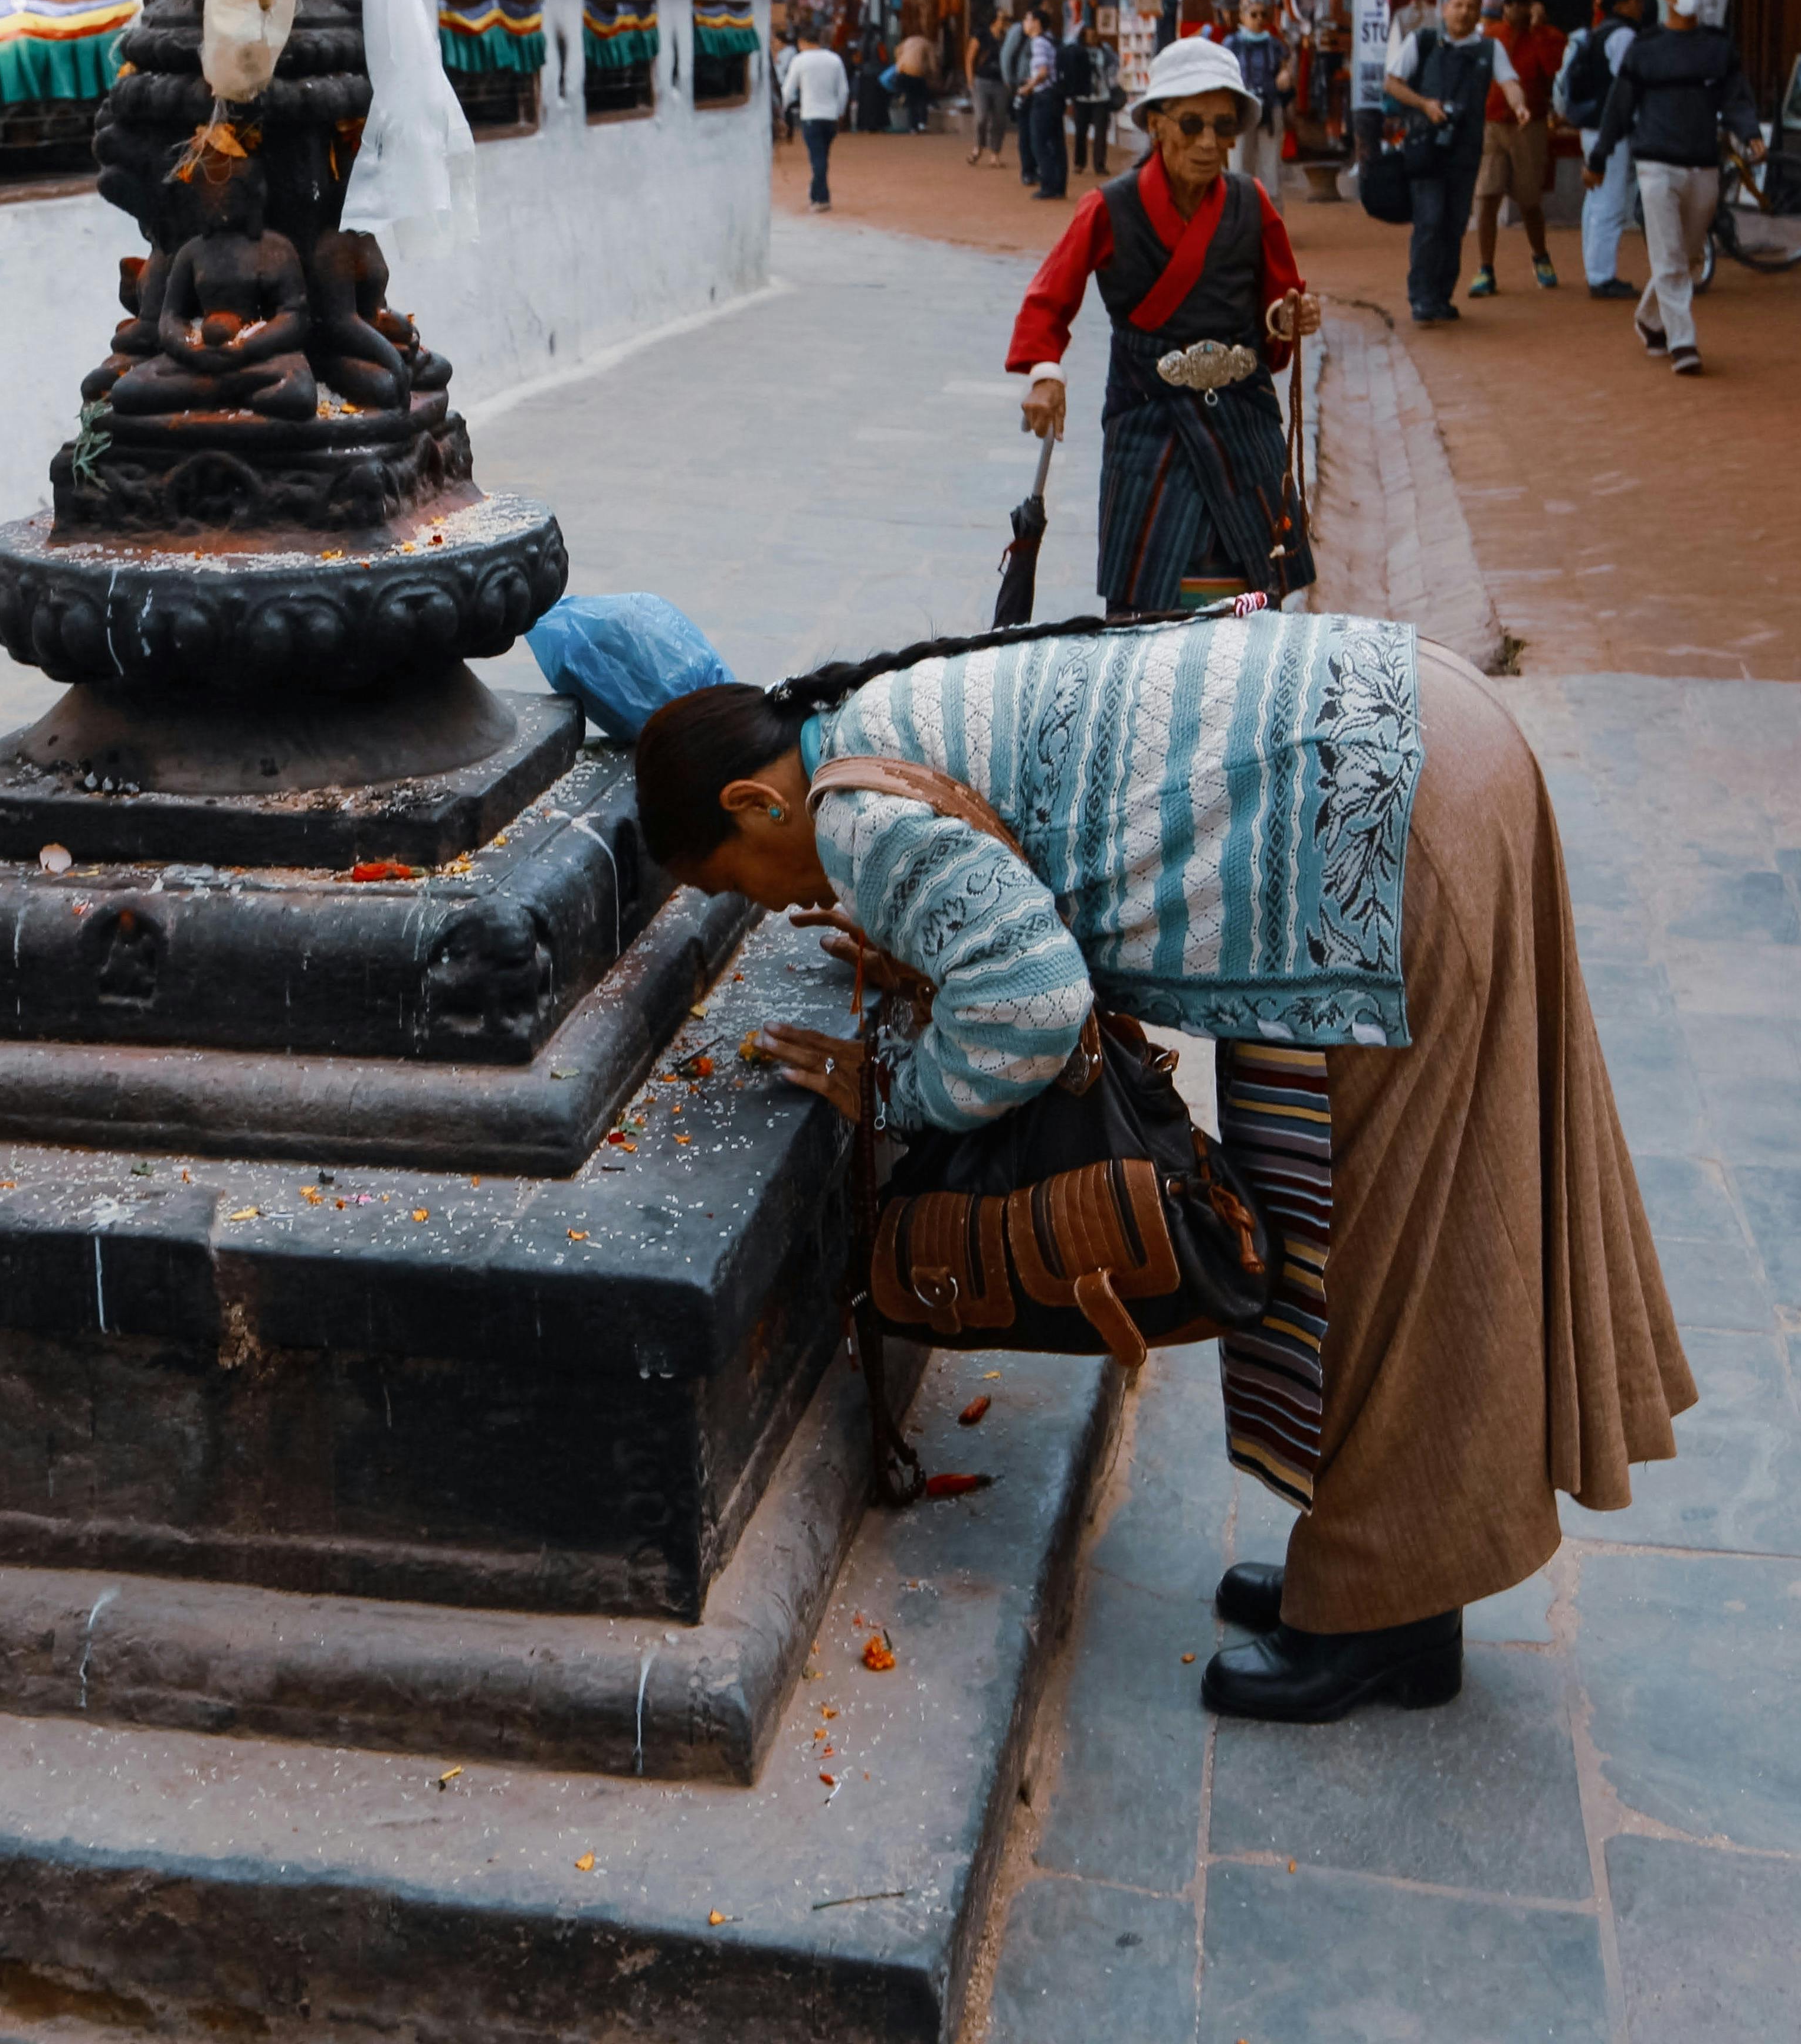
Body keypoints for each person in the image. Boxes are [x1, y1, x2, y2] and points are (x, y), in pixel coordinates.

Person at [628, 603, 1694, 1725]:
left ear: (756, 802)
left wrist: (892, 1088)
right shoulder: (852, 720)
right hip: (1414, 741)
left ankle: (1390, 1613)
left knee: (1391, 1239)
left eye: (746, 881)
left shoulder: (852, 823)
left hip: (1387, 807)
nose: (783, 903)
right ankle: (1382, 1580)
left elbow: (1031, 1008)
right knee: (1373, 1218)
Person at [1006, 37, 1318, 616]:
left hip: (1242, 419)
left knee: (1252, 584)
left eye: (1221, 126)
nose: (1207, 143)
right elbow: (1048, 299)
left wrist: (1287, 319)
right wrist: (1043, 372)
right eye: (1190, 123)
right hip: (1146, 416)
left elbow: (1278, 319)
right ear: (1155, 125)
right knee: (1147, 597)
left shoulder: (1251, 203)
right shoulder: (1107, 207)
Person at [1587, 0, 1761, 377]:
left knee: (1687, 256)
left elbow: (1735, 97)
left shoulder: (1718, 48)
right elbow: (1619, 107)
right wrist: (1599, 157)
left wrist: (1751, 132)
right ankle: (1683, 343)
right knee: (1668, 256)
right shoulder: (1644, 49)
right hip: (1655, 166)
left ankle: (1649, 319)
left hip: (1703, 166)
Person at [1383, 0, 1518, 324]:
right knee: (1429, 221)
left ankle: (1442, 296)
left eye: (1471, 7)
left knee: (1454, 224)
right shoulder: (1423, 42)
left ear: (1479, 13)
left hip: (1466, 152)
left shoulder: (1490, 49)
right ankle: (1422, 298)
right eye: (1458, 5)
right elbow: (1392, 83)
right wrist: (1425, 105)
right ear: (1445, 8)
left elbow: (1510, 82)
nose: (1464, 12)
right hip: (1426, 150)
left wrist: (1520, 106)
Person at [1468, 0, 1568, 297]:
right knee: (1486, 197)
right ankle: (1485, 268)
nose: (1515, 9)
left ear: (1531, 5)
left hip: (1530, 126)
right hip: (1493, 125)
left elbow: (1554, 69)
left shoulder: (1546, 37)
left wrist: (1538, 30)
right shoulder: (1492, 35)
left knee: (1529, 199)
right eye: (1510, 3)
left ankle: (1540, 256)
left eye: (1521, 3)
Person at [1560, 0, 1648, 300]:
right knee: (1609, 202)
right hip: (1610, 129)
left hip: (1592, 125)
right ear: (1622, 4)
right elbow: (1627, 87)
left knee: (1596, 199)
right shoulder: (1623, 36)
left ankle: (1595, 268)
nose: (1640, 6)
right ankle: (1602, 276)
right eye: (1635, 0)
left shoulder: (1598, 34)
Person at [1222, 0, 1295, 194]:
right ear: (1242, 17)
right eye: (1253, 14)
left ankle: (1270, 217)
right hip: (1241, 109)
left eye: (1263, 14)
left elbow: (1286, 69)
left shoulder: (1274, 45)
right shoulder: (1231, 44)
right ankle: (1241, 216)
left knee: (1270, 166)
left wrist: (1285, 75)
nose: (1259, 19)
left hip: (1271, 109)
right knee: (1239, 166)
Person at [780, 18, 852, 213]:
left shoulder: (800, 61)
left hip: (811, 115)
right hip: (830, 117)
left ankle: (820, 199)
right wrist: (840, 112)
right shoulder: (834, 60)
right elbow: (843, 91)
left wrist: (780, 112)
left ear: (803, 42)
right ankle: (820, 195)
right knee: (822, 156)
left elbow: (788, 91)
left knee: (817, 158)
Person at [1018, 2, 1067, 200]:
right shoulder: (1052, 40)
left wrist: (1027, 88)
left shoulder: (1038, 42)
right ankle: (1059, 185)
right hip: (1056, 97)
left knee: (1039, 141)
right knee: (1057, 143)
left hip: (1043, 98)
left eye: (1028, 19)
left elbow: (1043, 72)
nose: (1025, 23)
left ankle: (1048, 185)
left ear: (1036, 22)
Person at [1065, 12, 1118, 176]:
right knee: (1081, 131)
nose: (1093, 38)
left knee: (1101, 131)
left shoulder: (1105, 50)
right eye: (1089, 35)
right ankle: (1080, 163)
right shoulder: (1077, 51)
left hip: (1101, 96)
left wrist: (1111, 81)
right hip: (1082, 97)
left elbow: (1115, 64)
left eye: (1095, 35)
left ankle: (1100, 164)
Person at [967, 10, 1012, 166]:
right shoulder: (982, 35)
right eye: (1002, 19)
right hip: (982, 81)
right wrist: (971, 80)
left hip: (1001, 83)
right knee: (981, 117)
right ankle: (978, 147)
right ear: (994, 20)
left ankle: (995, 153)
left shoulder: (1007, 37)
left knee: (999, 120)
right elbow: (970, 57)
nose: (1004, 22)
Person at [999, 8, 1034, 181]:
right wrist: (1009, 82)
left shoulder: (1044, 39)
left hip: (1039, 91)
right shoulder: (1018, 32)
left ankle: (1036, 169)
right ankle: (1028, 170)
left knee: (1038, 132)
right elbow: (1006, 56)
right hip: (1022, 87)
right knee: (1025, 130)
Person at [895, 18, 939, 132]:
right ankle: (922, 123)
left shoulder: (908, 41)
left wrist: (900, 63)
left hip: (901, 73)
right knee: (922, 98)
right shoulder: (927, 44)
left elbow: (897, 51)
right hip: (916, 74)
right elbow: (933, 65)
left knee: (911, 100)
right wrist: (934, 76)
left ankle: (912, 127)